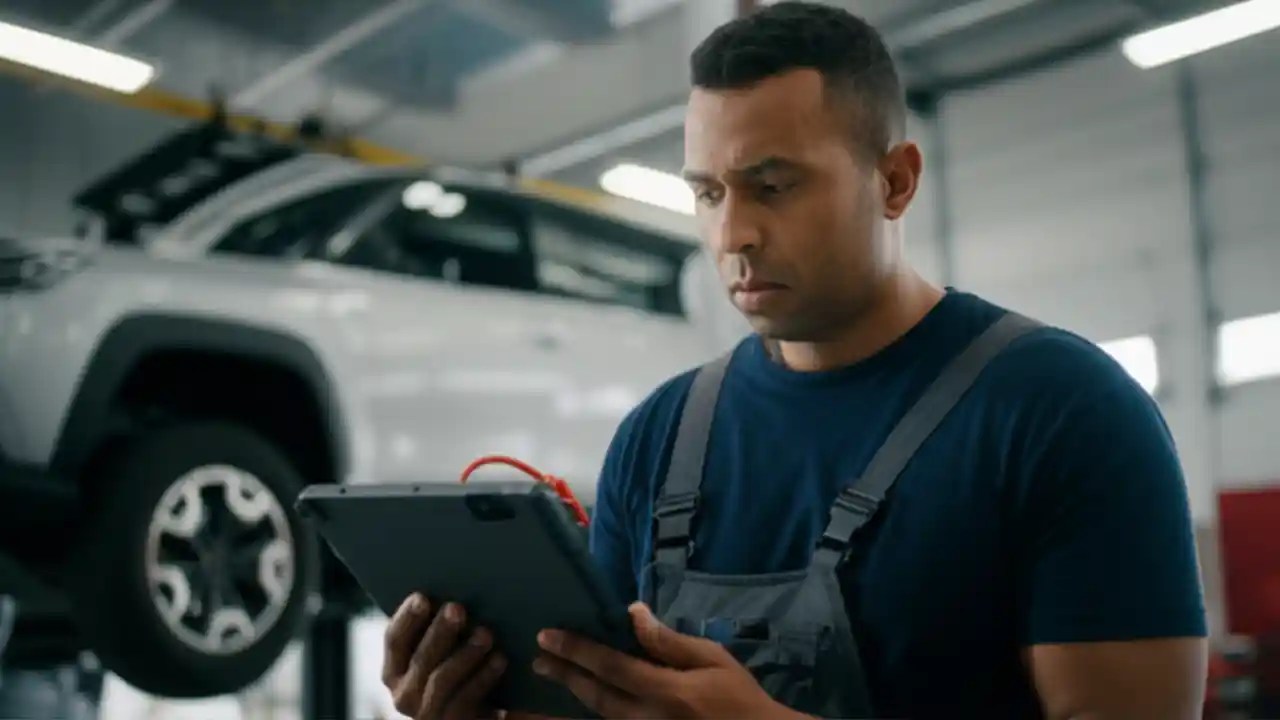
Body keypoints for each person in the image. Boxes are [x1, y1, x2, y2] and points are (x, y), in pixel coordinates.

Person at [379, 2, 1209, 718]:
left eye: (772, 186)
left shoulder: (1063, 414)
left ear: (894, 181)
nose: (731, 233)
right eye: (707, 192)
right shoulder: (658, 440)